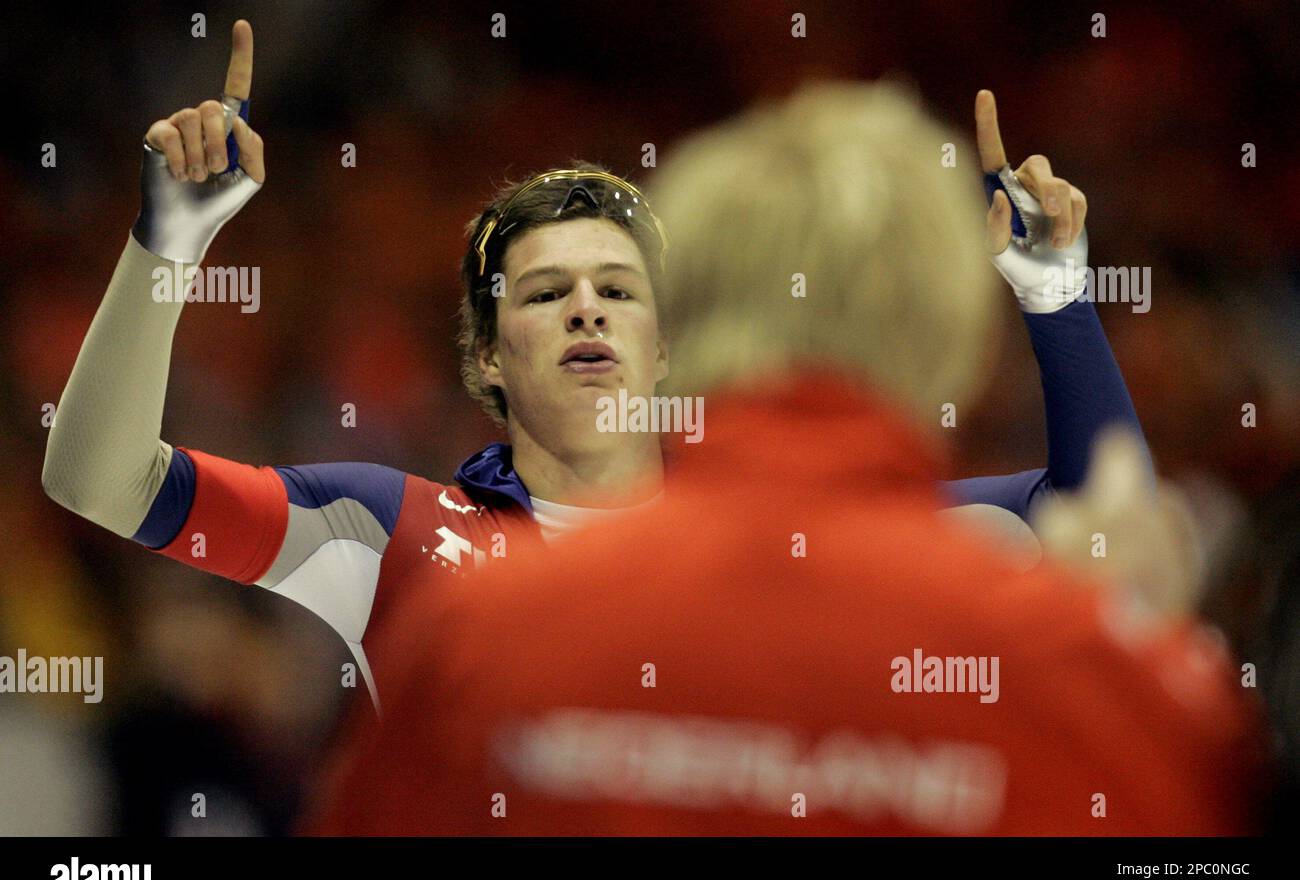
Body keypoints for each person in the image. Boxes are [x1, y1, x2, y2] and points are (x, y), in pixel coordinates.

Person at [43, 19, 1147, 712]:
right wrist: (169, 243)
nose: (585, 308)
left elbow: (1104, 529)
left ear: (666, 351)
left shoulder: (803, 537)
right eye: (542, 291)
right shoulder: (393, 535)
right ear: (486, 356)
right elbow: (99, 481)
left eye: (618, 291)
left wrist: (1053, 296)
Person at [307, 80, 1264, 835]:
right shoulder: (1085, 671)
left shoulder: (476, 634)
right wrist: (1052, 290)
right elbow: (1103, 515)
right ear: (960, 344)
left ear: (680, 322)